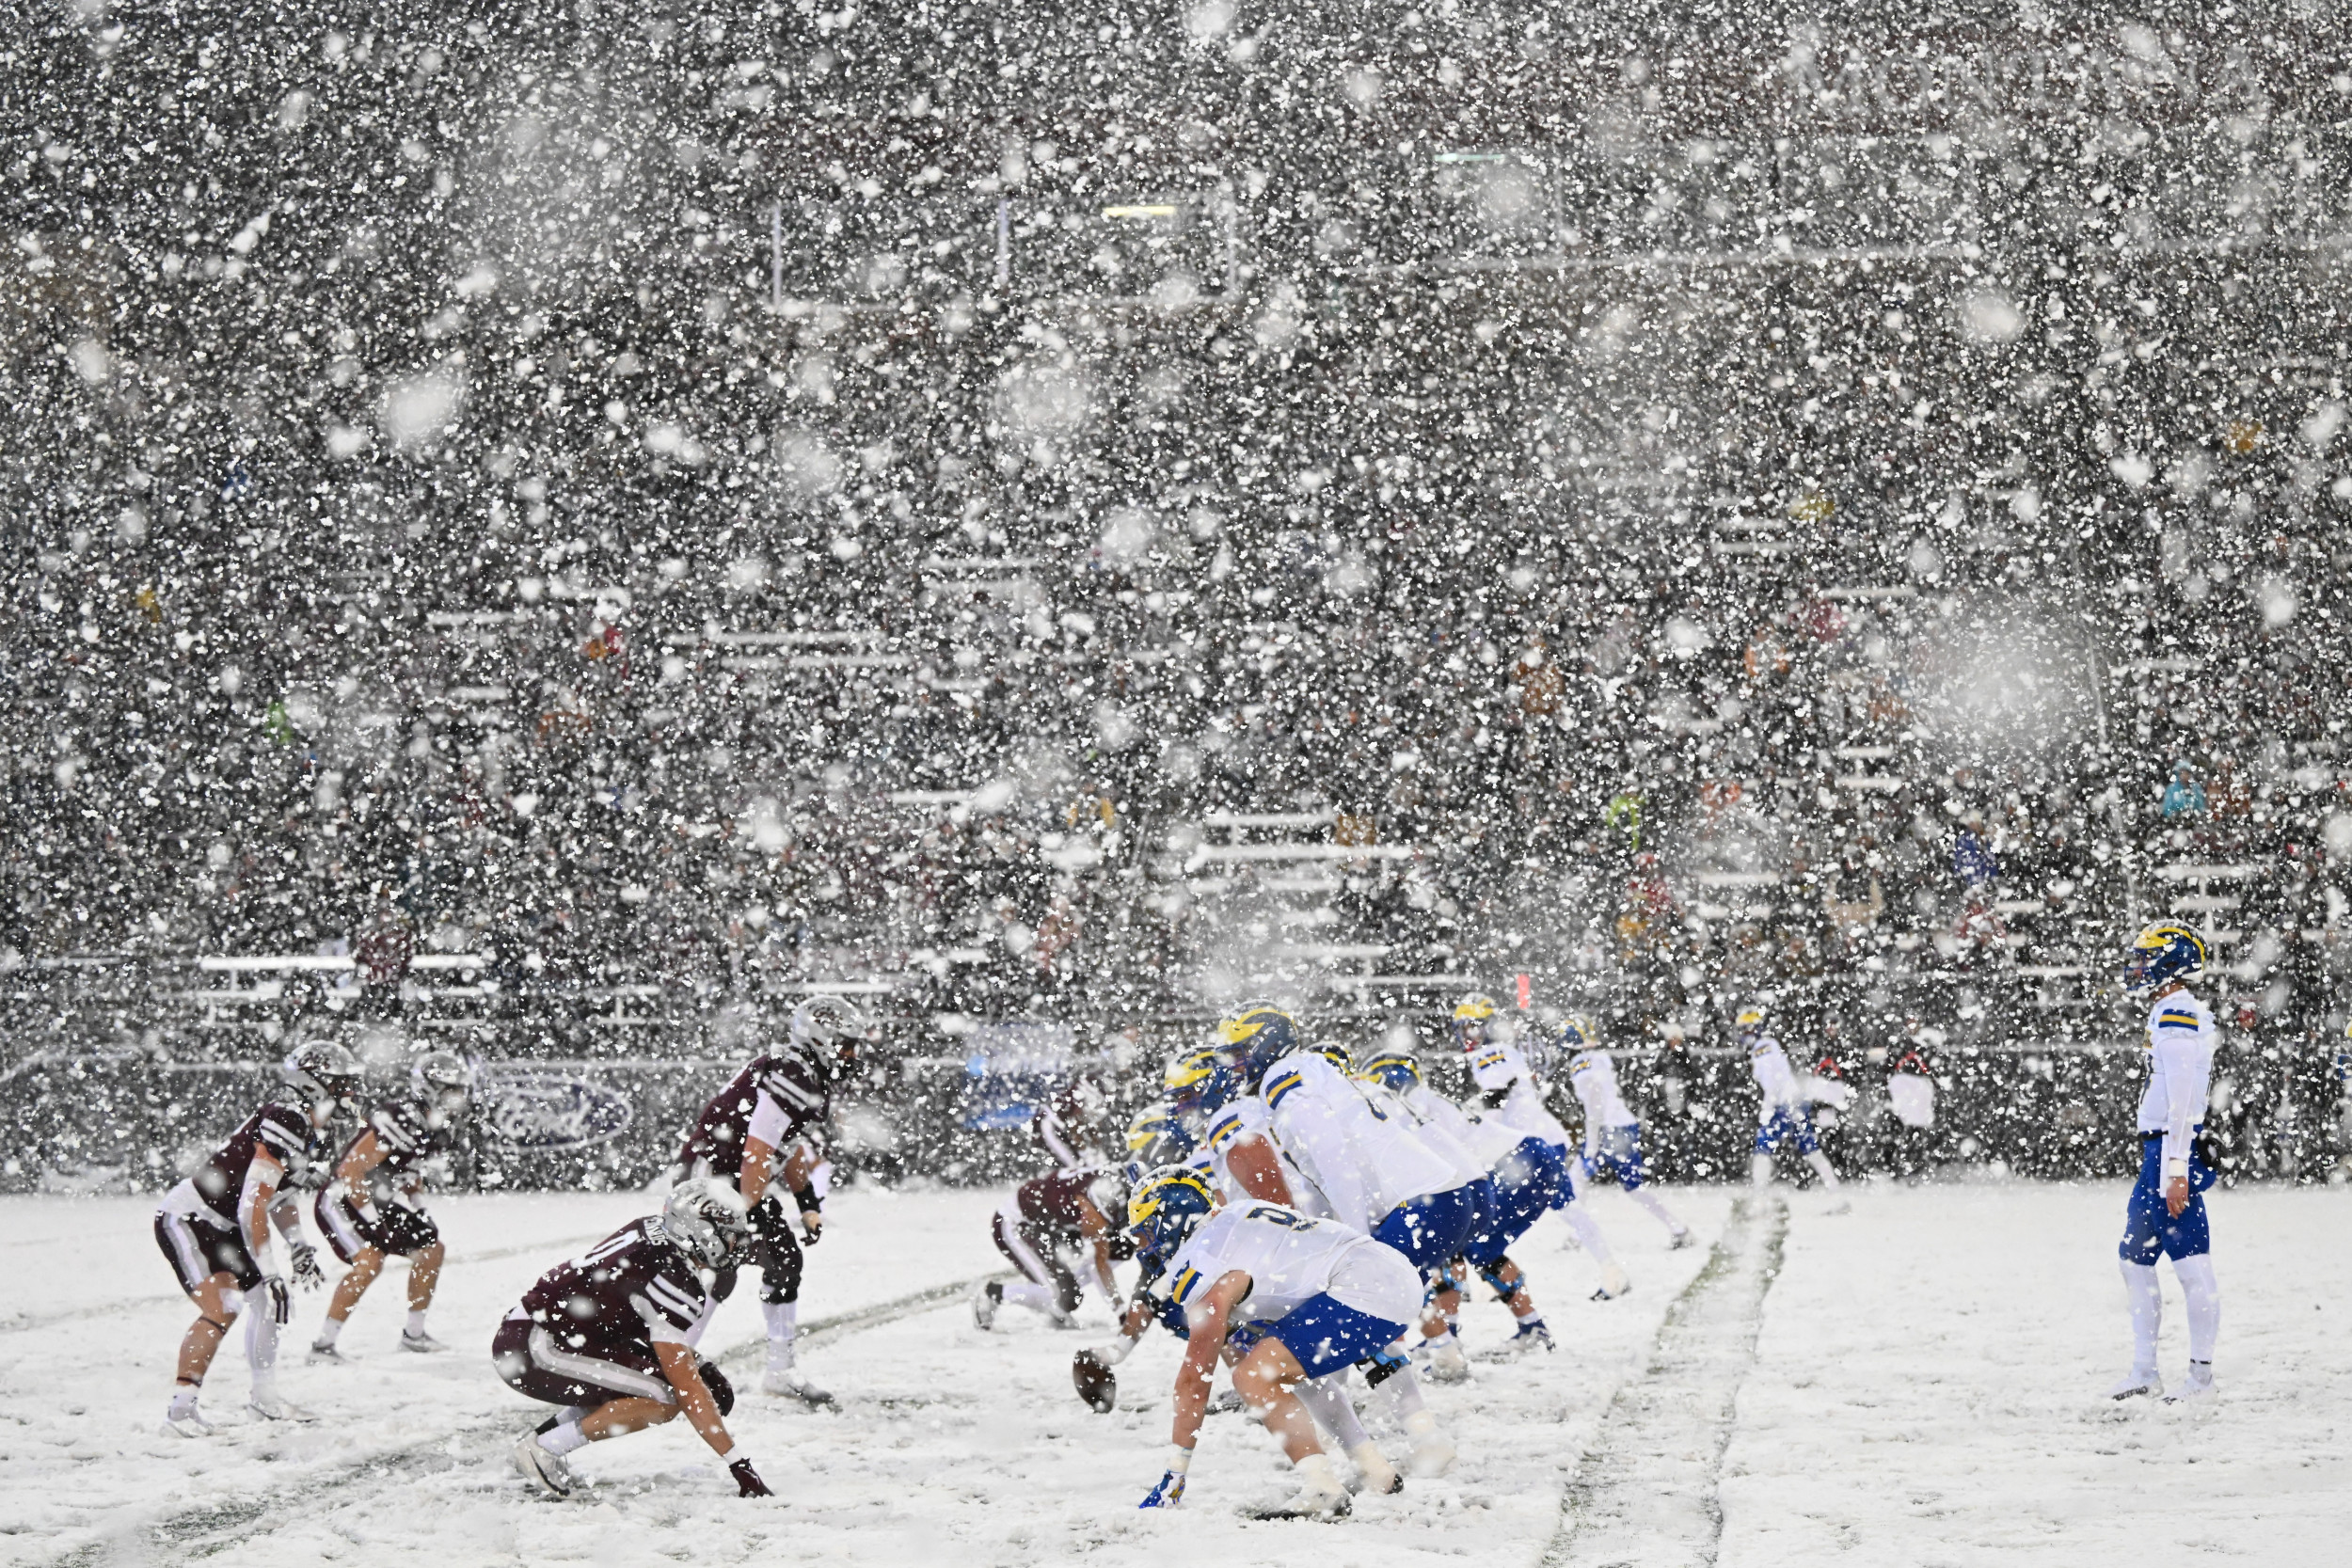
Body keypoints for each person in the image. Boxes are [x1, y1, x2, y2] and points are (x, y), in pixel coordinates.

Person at [1127, 1167, 1428, 1518]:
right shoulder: (1232, 1217)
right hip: (1388, 1272)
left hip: (1362, 1288)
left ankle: (1322, 1487)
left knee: (1253, 1376)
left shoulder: (1202, 1261)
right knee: (1286, 1365)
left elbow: (1195, 1380)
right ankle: (1375, 1470)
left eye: (1146, 1229)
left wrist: (1176, 1471)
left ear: (1171, 1220)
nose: (1141, 1243)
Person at [496, 1179, 772, 1497]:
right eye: (729, 1236)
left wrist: (695, 1361)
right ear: (699, 1231)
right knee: (663, 1397)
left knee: (639, 1383)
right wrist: (738, 1463)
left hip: (539, 1329)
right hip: (538, 1345)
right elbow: (686, 1388)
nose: (735, 1246)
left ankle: (537, 1446)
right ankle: (542, 1449)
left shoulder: (651, 1230)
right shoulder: (676, 1281)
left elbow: (624, 1306)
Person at [153, 1039, 356, 1433]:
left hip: (223, 1224)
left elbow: (280, 1196)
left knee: (266, 1303)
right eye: (340, 1084)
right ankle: (178, 1414)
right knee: (223, 1306)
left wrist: (297, 1243)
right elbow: (252, 1203)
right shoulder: (288, 1118)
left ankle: (264, 1402)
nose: (348, 1093)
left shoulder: (311, 1129)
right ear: (314, 1083)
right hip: (191, 1217)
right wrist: (271, 1267)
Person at [674, 994, 866, 1404]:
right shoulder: (794, 1073)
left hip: (735, 1175)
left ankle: (778, 1371)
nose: (852, 1055)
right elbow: (758, 1150)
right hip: (715, 1174)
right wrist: (746, 1210)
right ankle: (674, 1362)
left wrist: (807, 1202)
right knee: (717, 1266)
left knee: (781, 1259)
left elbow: (785, 1145)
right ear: (822, 1040)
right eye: (846, 1045)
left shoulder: (804, 1072)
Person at [1359, 1044, 1556, 1354]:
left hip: (1511, 1163)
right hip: (1525, 1157)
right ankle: (1526, 1327)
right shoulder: (1423, 1099)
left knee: (1460, 1243)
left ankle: (1448, 1338)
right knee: (1474, 1249)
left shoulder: (1404, 1105)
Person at [1454, 994, 1633, 1297]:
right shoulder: (1503, 1050)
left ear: (1489, 1026)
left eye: (1473, 1026)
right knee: (1562, 1208)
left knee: (1478, 1217)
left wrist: (1468, 1131)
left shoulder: (1490, 1054)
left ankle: (1472, 1287)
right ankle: (1610, 1271)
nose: (1467, 1035)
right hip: (1535, 1143)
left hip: (1530, 1149)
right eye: (1464, 1028)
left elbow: (1495, 1099)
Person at [2111, 924, 2221, 1403]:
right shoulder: (2167, 1008)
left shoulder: (2178, 1009)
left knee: (2193, 1266)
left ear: (2169, 960)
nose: (2137, 966)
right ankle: (2143, 1371)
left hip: (2169, 1149)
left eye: (2145, 957)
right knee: (2134, 1261)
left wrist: (2176, 1165)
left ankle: (2200, 1380)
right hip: (2157, 1150)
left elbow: (2182, 1099)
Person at [310, 1050, 472, 1358]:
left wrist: (418, 1205)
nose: (458, 1098)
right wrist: (373, 1221)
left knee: (431, 1251)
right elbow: (350, 1171)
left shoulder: (433, 1124)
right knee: (370, 1261)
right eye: (452, 1090)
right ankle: (323, 1345)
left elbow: (409, 1172)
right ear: (432, 1088)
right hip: (342, 1197)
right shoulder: (401, 1117)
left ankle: (414, 1334)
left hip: (377, 1198)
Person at [1556, 1015, 1692, 1247]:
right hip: (1622, 1124)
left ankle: (1579, 1234)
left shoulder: (1582, 1065)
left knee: (1576, 1179)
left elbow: (1594, 1105)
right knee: (1633, 1187)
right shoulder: (1598, 1057)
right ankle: (1677, 1228)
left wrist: (1592, 1145)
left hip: (1608, 1128)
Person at [971, 1164, 1132, 1329]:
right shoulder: (1092, 1209)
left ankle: (1057, 1305)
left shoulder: (1101, 1185)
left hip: (1048, 1226)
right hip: (1015, 1225)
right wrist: (1121, 1311)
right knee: (1064, 1295)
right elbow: (1098, 1264)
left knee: (1120, 1247)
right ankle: (992, 1293)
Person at [1738, 1004, 1847, 1209]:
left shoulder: (1762, 1047)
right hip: (1793, 1102)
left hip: (1783, 1104)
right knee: (1811, 1150)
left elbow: (1773, 1080)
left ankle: (1758, 1200)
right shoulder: (1766, 1045)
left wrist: (1768, 1107)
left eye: (1746, 1028)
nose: (1744, 1034)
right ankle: (1837, 1196)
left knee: (1763, 1148)